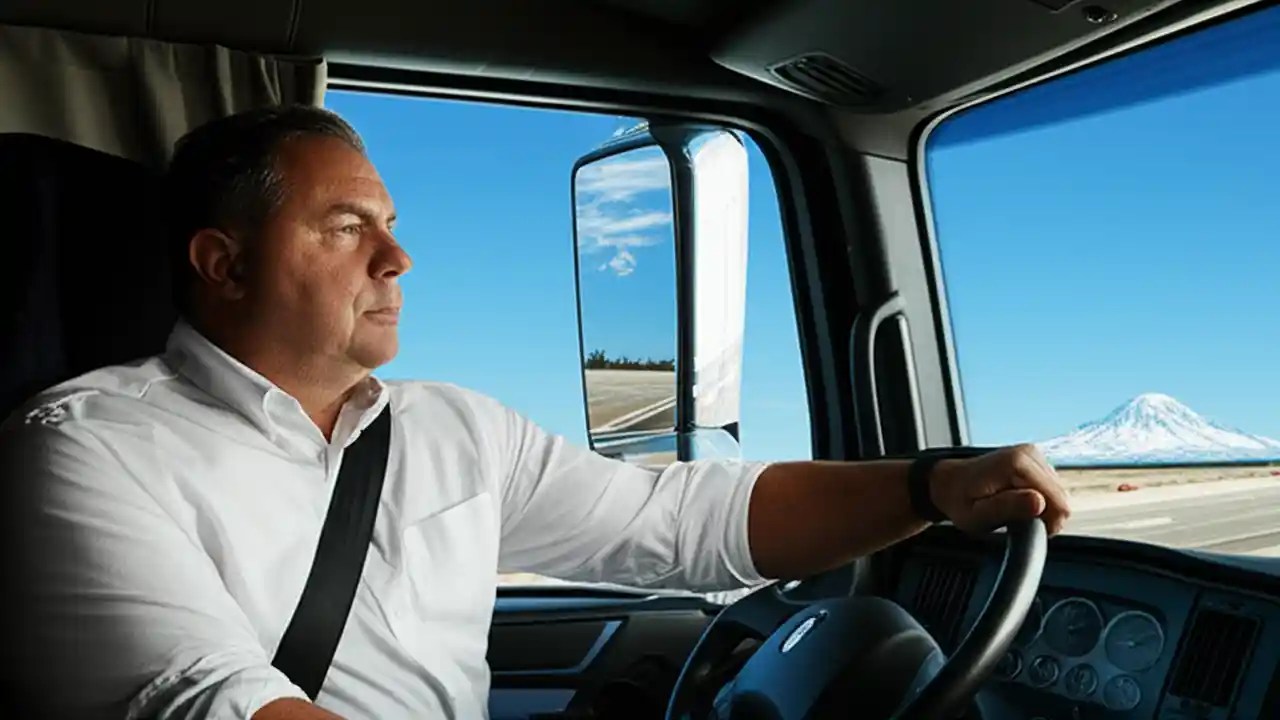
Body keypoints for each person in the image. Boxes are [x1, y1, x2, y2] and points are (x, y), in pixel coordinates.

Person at [0, 106, 1070, 720]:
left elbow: (687, 524)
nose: (397, 257)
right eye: (343, 226)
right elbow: (206, 700)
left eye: (391, 224)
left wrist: (931, 485)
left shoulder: (452, 428)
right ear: (221, 264)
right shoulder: (83, 450)